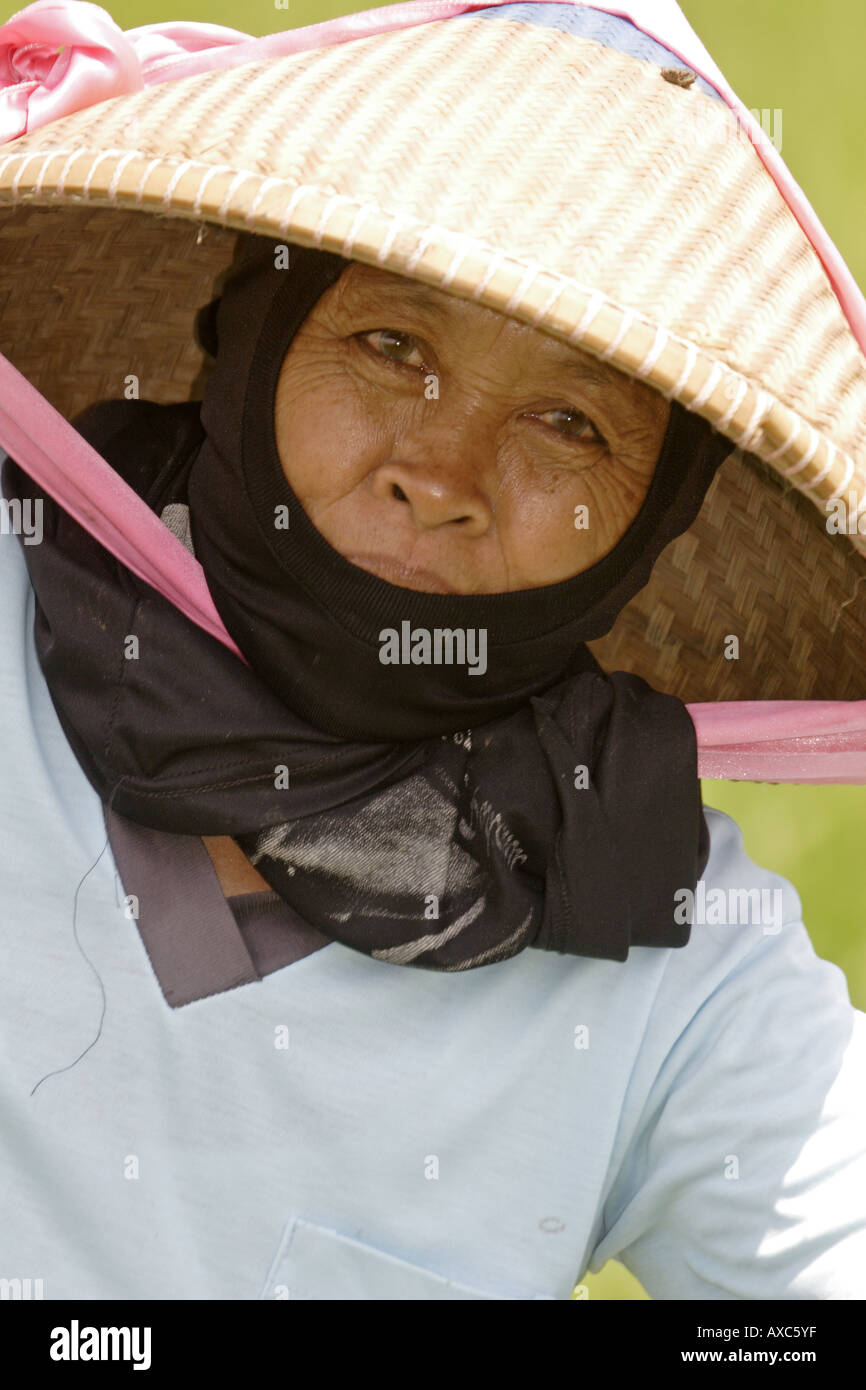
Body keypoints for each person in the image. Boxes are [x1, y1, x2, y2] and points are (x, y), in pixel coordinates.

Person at [0, 0, 864, 1302]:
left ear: (656, 518)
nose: (440, 473)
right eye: (389, 344)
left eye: (567, 422)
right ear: (246, 337)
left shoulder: (665, 956)